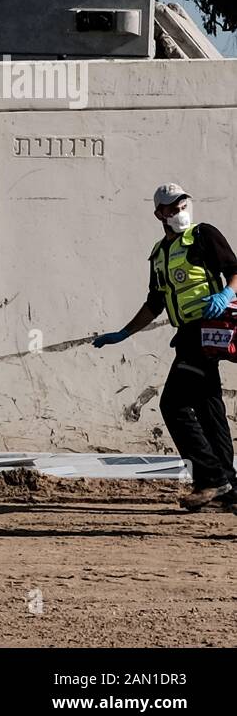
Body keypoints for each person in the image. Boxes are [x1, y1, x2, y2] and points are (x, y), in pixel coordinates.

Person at [93, 183, 237, 510]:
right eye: (171, 208)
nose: (179, 212)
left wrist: (227, 294)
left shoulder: (203, 235)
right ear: (159, 214)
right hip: (188, 333)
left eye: (182, 204)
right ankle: (229, 489)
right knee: (209, 407)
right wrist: (124, 333)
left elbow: (234, 270)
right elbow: (155, 303)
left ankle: (210, 479)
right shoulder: (159, 254)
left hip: (208, 327)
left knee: (173, 403)